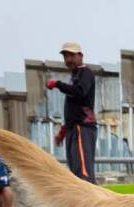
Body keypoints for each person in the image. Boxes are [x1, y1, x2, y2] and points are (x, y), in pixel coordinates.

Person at [46, 42, 97, 183]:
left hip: (83, 127)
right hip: (74, 128)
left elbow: (80, 92)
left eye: (71, 55)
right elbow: (74, 109)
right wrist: (64, 131)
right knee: (75, 173)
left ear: (80, 55)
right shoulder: (75, 76)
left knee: (83, 174)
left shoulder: (85, 73)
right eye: (65, 56)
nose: (68, 59)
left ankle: (92, 204)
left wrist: (58, 84)